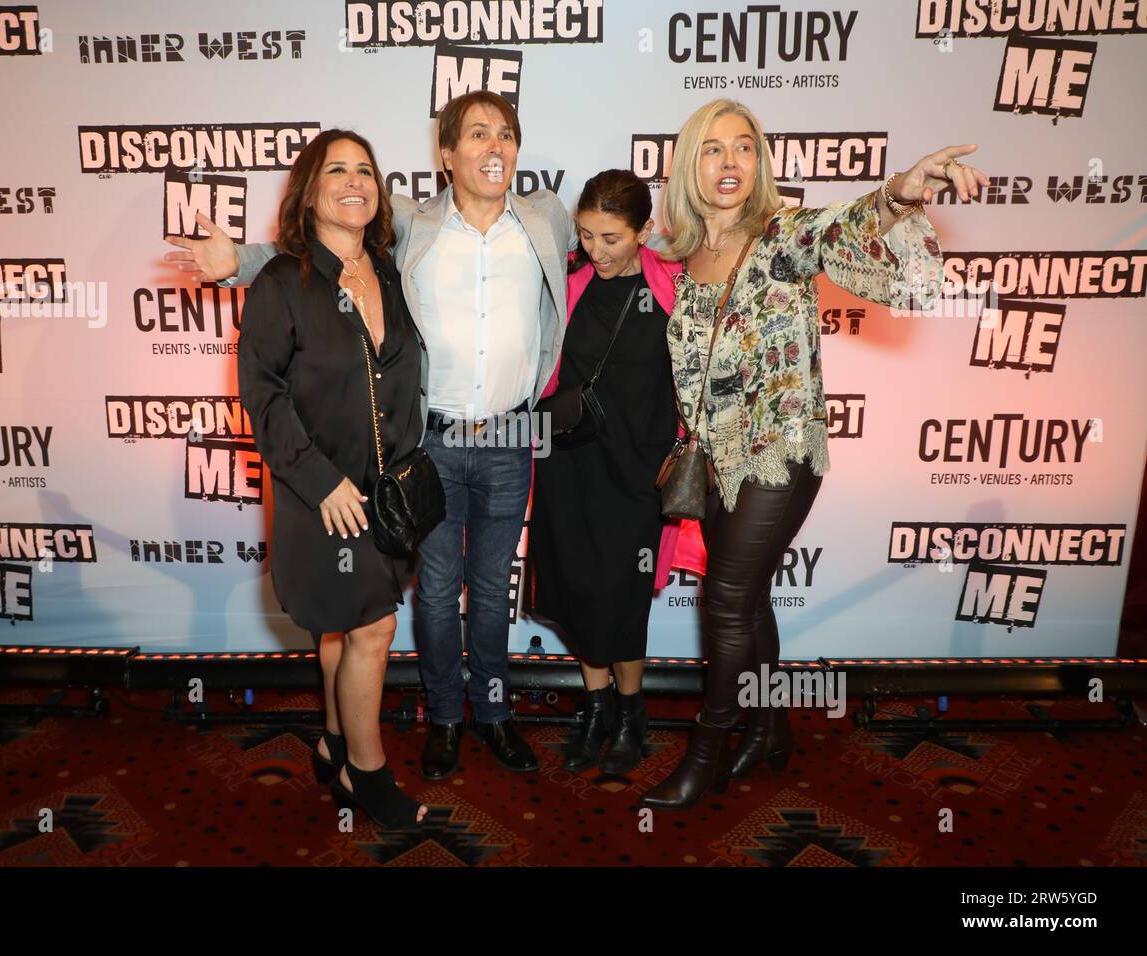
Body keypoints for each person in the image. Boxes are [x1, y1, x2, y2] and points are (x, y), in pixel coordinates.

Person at [167, 92, 574, 782]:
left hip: (510, 440)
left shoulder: (547, 220)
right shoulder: (411, 226)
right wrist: (235, 258)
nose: (494, 146)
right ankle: (445, 719)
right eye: (477, 134)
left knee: (494, 589)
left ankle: (495, 716)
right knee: (437, 592)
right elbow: (326, 244)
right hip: (430, 447)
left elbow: (631, 237)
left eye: (505, 133)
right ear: (446, 156)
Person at [639, 98, 985, 810]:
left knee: (726, 598)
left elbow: (844, 225)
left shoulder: (782, 236)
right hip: (718, 459)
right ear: (688, 165)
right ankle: (769, 730)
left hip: (780, 451)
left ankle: (707, 750)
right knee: (750, 596)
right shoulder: (683, 249)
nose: (729, 162)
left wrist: (896, 192)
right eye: (712, 149)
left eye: (743, 148)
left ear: (760, 163)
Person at [231, 129, 429, 828]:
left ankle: (333, 741)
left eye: (366, 171)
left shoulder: (392, 269)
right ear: (310, 191)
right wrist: (322, 482)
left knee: (344, 635)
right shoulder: (283, 282)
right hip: (322, 497)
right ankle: (365, 776)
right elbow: (262, 396)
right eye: (337, 171)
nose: (355, 182)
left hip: (386, 493)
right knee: (370, 628)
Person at [526, 169, 684, 775]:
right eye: (588, 235)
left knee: (624, 595)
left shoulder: (673, 285)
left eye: (612, 238)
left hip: (639, 473)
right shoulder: (570, 281)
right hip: (568, 465)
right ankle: (594, 707)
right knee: (576, 587)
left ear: (644, 231)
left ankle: (630, 710)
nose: (598, 250)